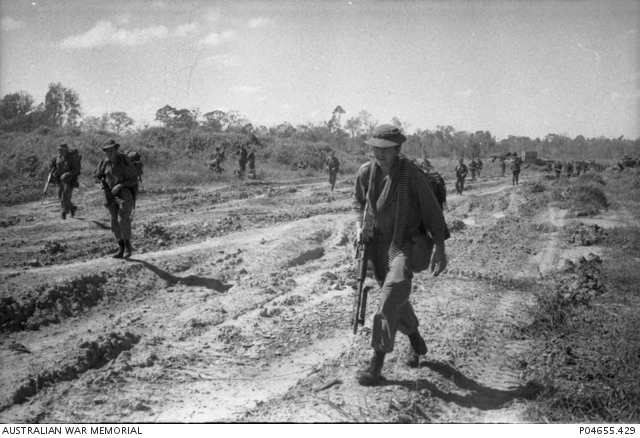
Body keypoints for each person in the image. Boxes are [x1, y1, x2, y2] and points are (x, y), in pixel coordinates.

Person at [352, 124, 447, 386]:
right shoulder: (366, 173)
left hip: (405, 243)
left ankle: (376, 363)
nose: (380, 154)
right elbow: (359, 204)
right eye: (375, 148)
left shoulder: (411, 174)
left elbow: (431, 212)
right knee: (395, 299)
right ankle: (415, 340)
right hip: (377, 245)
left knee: (392, 293)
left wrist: (440, 248)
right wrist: (360, 228)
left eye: (386, 149)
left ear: (397, 149)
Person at [93, 139, 139, 259]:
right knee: (114, 222)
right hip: (110, 195)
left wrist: (120, 185)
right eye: (107, 151)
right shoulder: (104, 162)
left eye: (111, 150)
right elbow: (96, 176)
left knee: (123, 219)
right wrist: (100, 183)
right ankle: (121, 248)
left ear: (116, 150)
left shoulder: (124, 160)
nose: (109, 153)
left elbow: (134, 178)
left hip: (124, 194)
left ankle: (128, 246)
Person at [49, 143, 80, 220]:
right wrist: (53, 173)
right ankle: (72, 208)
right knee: (60, 196)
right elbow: (51, 167)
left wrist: (68, 173)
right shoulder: (56, 158)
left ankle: (64, 212)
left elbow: (77, 168)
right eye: (59, 149)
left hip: (69, 180)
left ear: (66, 150)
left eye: (62, 150)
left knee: (65, 196)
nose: (60, 151)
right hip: (59, 180)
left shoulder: (70, 158)